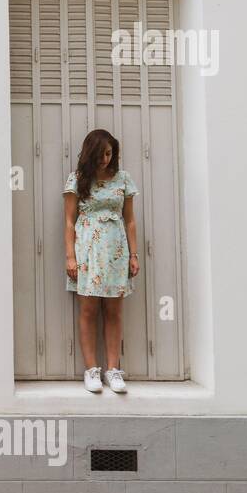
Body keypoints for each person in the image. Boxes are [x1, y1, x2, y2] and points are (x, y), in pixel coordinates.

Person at [64, 129, 140, 394]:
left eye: (109, 153)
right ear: (90, 153)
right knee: (88, 311)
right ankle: (91, 369)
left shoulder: (123, 180)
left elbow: (129, 220)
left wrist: (133, 254)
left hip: (116, 252)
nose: (105, 159)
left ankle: (113, 369)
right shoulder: (78, 180)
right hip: (87, 252)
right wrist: (70, 256)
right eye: (100, 154)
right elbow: (69, 221)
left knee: (114, 311)